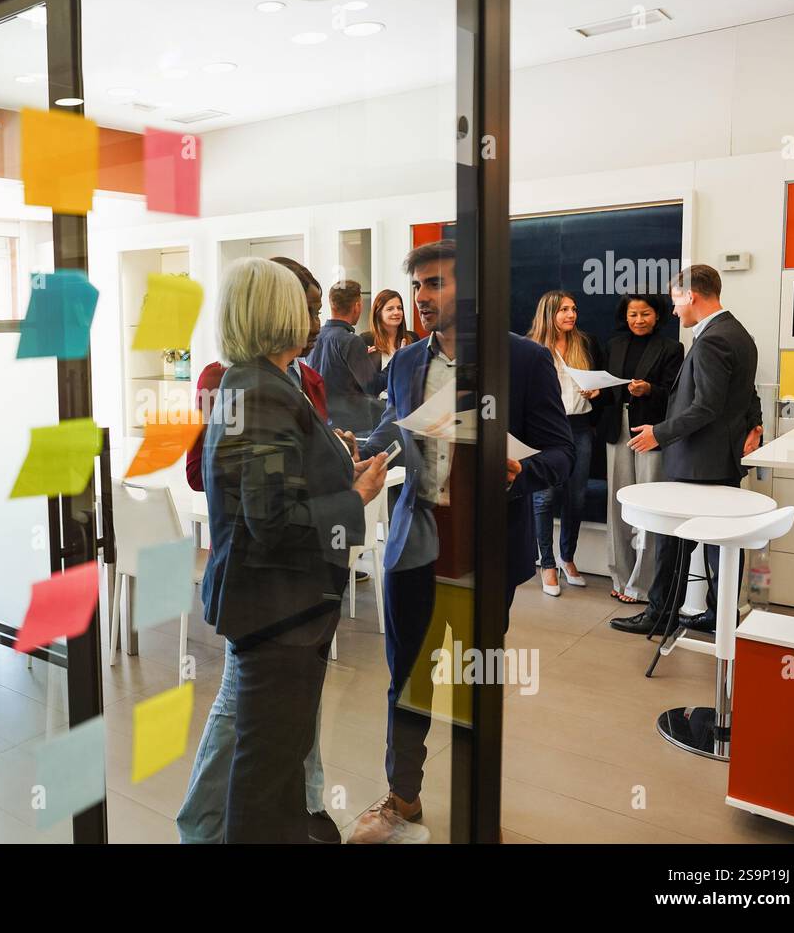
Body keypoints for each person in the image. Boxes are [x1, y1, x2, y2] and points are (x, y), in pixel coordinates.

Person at [347, 239, 573, 843]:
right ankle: (402, 797)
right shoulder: (405, 363)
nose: (422, 298)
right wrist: (360, 447)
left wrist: (524, 470)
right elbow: (395, 424)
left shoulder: (522, 362)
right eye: (417, 286)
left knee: (477, 680)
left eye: (436, 284)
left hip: (484, 552)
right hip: (415, 546)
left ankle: (479, 804)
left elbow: (562, 453)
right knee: (408, 678)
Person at [193, 257, 387, 843]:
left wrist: (335, 467)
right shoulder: (258, 388)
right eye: (299, 304)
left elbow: (278, 487)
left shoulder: (267, 382)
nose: (310, 314)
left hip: (281, 606)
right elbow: (273, 519)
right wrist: (354, 496)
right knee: (267, 770)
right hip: (277, 609)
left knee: (274, 760)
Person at [611, 265, 764, 636]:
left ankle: (660, 614)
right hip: (717, 458)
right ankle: (719, 613)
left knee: (673, 541)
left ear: (691, 295)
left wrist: (659, 434)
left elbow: (706, 406)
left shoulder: (713, 338)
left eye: (676, 300)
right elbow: (743, 392)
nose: (674, 309)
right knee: (718, 545)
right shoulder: (736, 332)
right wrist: (755, 422)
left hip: (700, 461)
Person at [185, 257, 330, 493]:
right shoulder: (219, 379)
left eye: (317, 313)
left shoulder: (312, 380)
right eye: (304, 313)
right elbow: (198, 474)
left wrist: (334, 450)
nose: (315, 326)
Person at [598, 292, 684, 605]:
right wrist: (597, 391)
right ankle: (620, 577)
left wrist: (649, 389)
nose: (638, 320)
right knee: (617, 503)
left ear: (657, 315)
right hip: (617, 426)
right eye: (633, 314)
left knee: (648, 504)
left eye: (645, 314)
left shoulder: (672, 348)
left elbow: (676, 395)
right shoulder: (615, 345)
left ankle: (644, 583)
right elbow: (609, 388)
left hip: (650, 430)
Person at [525, 290, 603, 597]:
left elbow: (596, 380)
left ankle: (567, 558)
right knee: (543, 498)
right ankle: (546, 564)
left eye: (573, 309)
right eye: (564, 310)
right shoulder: (530, 346)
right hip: (546, 430)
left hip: (581, 427)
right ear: (549, 313)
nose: (571, 315)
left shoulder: (583, 342)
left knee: (577, 496)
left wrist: (595, 392)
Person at [307, 279, 388, 434]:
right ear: (357, 306)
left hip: (324, 424)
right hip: (353, 428)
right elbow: (373, 387)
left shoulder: (315, 336)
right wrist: (397, 360)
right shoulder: (351, 341)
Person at [361, 288, 416, 369]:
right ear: (378, 313)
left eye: (399, 308)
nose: (396, 312)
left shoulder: (413, 338)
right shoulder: (366, 340)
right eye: (390, 309)